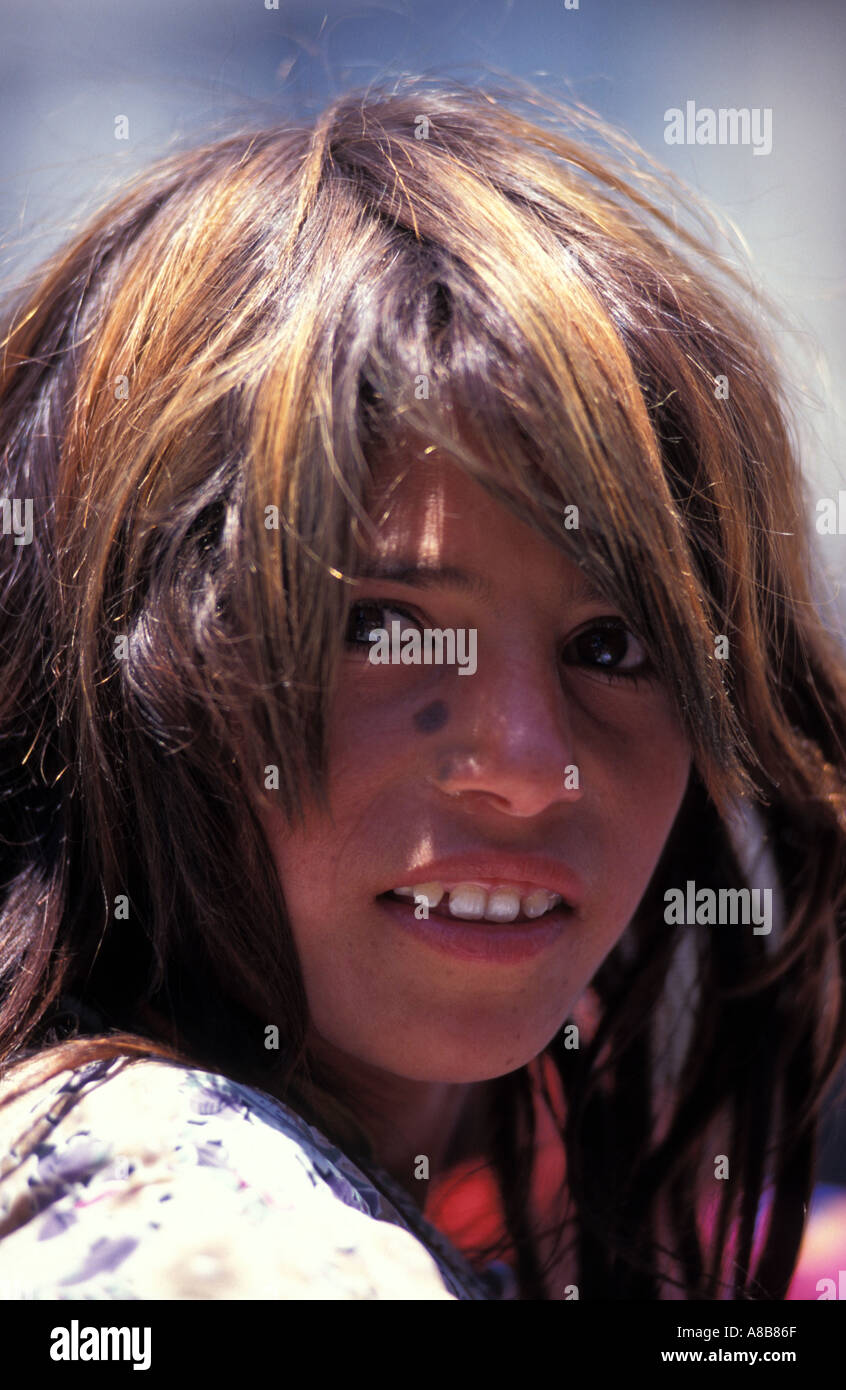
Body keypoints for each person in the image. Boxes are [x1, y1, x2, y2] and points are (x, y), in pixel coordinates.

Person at [0, 76, 844, 1301]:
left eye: (614, 647)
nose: (521, 758)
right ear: (127, 664)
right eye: (385, 628)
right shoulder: (227, 1240)